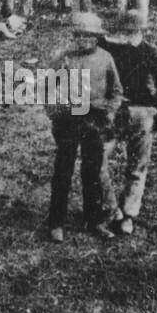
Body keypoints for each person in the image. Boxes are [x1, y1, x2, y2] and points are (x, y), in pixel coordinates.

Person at [45, 12, 124, 243]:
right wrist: (53, 110)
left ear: (97, 37)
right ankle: (55, 222)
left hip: (94, 120)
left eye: (88, 36)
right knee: (63, 171)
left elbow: (116, 91)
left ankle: (94, 220)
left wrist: (109, 111)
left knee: (92, 172)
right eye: (78, 35)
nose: (83, 40)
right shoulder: (64, 58)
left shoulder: (106, 58)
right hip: (69, 119)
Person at [99, 9, 157, 235]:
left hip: (112, 113)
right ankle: (128, 215)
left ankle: (112, 209)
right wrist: (154, 108)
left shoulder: (104, 47)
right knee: (138, 165)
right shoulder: (148, 50)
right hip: (141, 113)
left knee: (96, 159)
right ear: (141, 29)